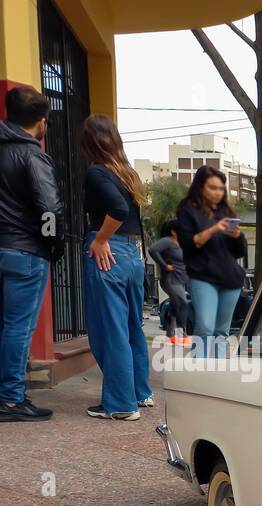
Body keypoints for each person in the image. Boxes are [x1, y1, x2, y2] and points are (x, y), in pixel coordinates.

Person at [80, 113, 151, 420]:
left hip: (109, 253)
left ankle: (121, 404)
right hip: (132, 256)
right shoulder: (127, 173)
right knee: (132, 326)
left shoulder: (97, 172)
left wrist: (100, 239)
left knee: (110, 330)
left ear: (89, 142)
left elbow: (118, 209)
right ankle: (140, 392)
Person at [0, 85, 62, 422]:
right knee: (17, 327)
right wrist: (53, 245)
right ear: (41, 121)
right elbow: (49, 209)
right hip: (25, 251)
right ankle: (10, 399)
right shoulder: (32, 155)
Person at [177, 164, 247, 358]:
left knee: (221, 332)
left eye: (221, 188)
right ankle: (199, 372)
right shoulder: (187, 210)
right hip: (202, 276)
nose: (218, 192)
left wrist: (236, 235)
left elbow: (239, 252)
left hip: (230, 279)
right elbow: (188, 244)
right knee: (206, 327)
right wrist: (214, 229)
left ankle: (216, 376)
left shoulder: (226, 212)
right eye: (212, 187)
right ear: (200, 187)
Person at [148, 219, 190, 343]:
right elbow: (152, 250)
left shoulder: (180, 244)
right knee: (182, 304)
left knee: (175, 306)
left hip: (180, 280)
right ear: (173, 231)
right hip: (170, 280)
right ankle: (183, 335)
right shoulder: (168, 241)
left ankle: (170, 335)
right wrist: (164, 265)